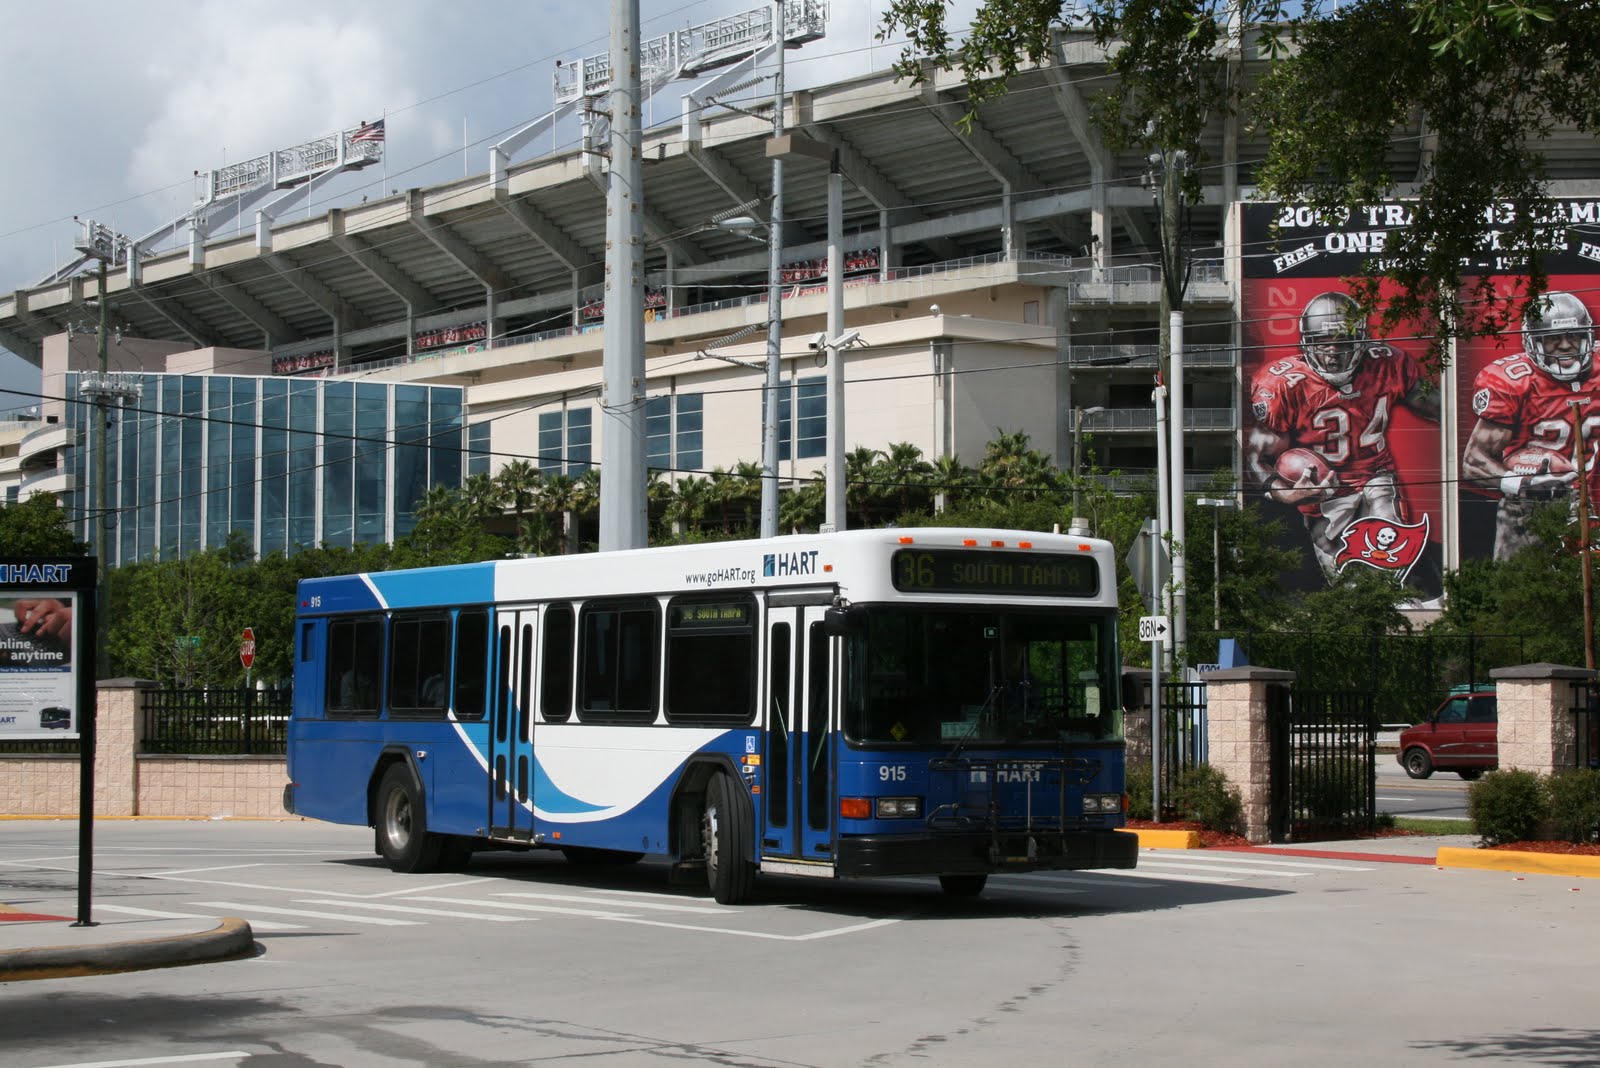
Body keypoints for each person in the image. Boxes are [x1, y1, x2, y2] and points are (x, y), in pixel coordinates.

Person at [1245, 290, 1440, 577]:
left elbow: (1441, 409)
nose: (1333, 352)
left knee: (1394, 567)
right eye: (1323, 342)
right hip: (1324, 494)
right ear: (1306, 342)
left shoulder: (1388, 364)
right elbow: (1256, 459)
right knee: (1349, 584)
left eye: (1342, 341)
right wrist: (1288, 495)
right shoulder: (1282, 384)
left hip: (1376, 477)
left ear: (1361, 340)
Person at [1461, 290, 1597, 559]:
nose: (1566, 345)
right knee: (1522, 593)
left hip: (1590, 500)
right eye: (1553, 339)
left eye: (1573, 335)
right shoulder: (1512, 381)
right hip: (1528, 507)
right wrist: (1522, 483)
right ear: (1532, 342)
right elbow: (1472, 462)